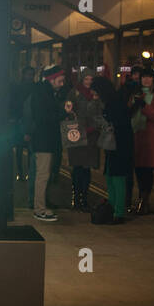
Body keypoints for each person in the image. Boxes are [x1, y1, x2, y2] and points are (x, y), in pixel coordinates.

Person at [25, 64, 67, 222]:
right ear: (51, 79)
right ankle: (39, 209)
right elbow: (45, 118)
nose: (62, 84)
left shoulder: (46, 92)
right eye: (60, 81)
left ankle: (40, 206)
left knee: (43, 174)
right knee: (42, 175)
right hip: (44, 140)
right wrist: (64, 113)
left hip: (45, 139)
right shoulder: (44, 94)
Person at [94, 75, 135, 221]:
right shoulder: (112, 101)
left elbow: (117, 122)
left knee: (117, 177)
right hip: (114, 144)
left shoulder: (113, 103)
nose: (95, 95)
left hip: (119, 144)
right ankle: (113, 207)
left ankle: (118, 212)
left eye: (96, 92)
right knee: (110, 176)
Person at [63, 70, 102, 211]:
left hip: (91, 135)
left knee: (87, 167)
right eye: (86, 78)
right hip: (76, 133)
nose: (89, 81)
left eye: (91, 79)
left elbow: (100, 112)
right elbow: (67, 111)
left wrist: (94, 126)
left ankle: (84, 197)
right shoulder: (74, 93)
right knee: (77, 166)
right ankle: (76, 196)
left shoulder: (96, 94)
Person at [131, 67, 154, 215]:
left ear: (153, 80)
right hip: (136, 135)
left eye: (149, 77)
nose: (145, 80)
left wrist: (144, 104)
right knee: (138, 169)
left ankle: (145, 200)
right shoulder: (134, 94)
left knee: (147, 170)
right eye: (143, 77)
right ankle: (140, 198)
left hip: (150, 137)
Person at [10, 67, 36, 181]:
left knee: (27, 149)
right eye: (28, 74)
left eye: (31, 75)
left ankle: (25, 172)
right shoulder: (21, 88)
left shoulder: (32, 88)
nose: (30, 77)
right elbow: (14, 103)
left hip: (27, 121)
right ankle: (21, 172)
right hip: (21, 120)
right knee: (21, 148)